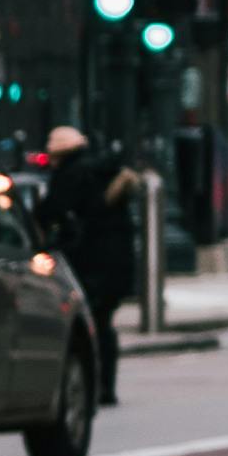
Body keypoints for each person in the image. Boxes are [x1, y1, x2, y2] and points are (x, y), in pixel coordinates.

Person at [39, 120, 142, 402]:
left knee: (89, 325)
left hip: (93, 263)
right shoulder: (100, 172)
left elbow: (50, 211)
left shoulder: (72, 174)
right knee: (104, 323)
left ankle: (93, 386)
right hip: (118, 263)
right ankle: (106, 386)